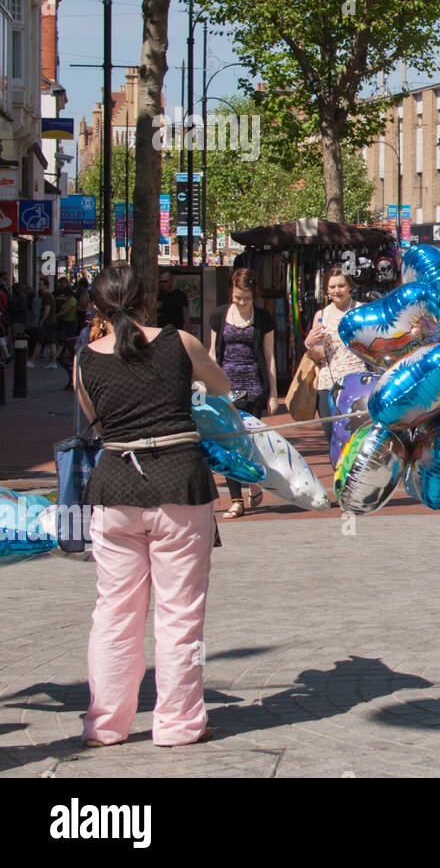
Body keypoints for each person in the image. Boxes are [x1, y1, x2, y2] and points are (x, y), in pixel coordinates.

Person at [73, 263, 231, 747]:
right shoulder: (180, 342)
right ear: (147, 301)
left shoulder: (85, 359)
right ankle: (179, 723)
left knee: (114, 612)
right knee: (180, 612)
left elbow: (94, 422)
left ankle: (106, 724)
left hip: (116, 487)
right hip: (179, 485)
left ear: (97, 309)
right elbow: (221, 386)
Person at [208, 268, 278, 519]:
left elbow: (269, 357)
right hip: (225, 388)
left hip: (253, 388)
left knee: (250, 442)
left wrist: (273, 393)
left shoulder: (263, 319)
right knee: (229, 443)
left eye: (246, 298)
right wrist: (208, 386)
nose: (241, 302)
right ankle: (236, 499)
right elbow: (212, 354)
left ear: (254, 297)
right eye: (237, 297)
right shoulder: (219, 316)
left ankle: (254, 482)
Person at [303, 266, 368, 420]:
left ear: (350, 287)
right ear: (326, 289)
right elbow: (317, 355)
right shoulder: (321, 316)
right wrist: (309, 344)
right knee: (332, 438)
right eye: (332, 287)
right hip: (327, 385)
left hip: (357, 382)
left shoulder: (361, 310)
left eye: (341, 286)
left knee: (356, 438)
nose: (336, 290)